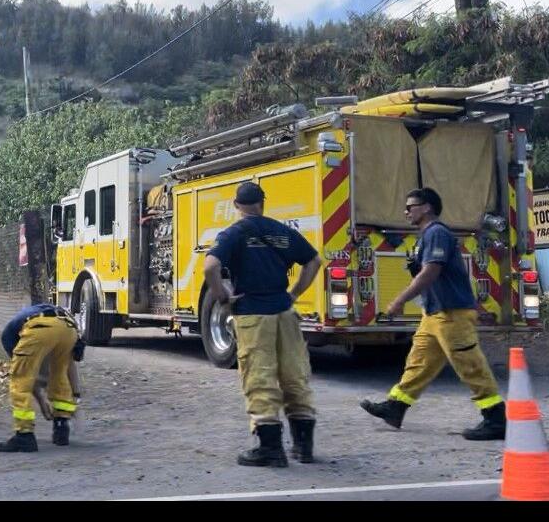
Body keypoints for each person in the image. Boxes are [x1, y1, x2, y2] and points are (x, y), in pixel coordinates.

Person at [359, 188, 507, 441]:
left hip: (452, 313)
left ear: (426, 207)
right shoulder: (427, 236)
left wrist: (400, 300)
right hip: (435, 314)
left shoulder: (437, 233)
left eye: (410, 207)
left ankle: (496, 419)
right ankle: (395, 407)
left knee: (470, 365)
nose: (406, 211)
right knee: (419, 362)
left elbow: (431, 272)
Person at [203, 182, 323, 467]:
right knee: (295, 376)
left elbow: (210, 266)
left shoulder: (234, 233)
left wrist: (222, 296)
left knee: (259, 377)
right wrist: (293, 294)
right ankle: (303, 447)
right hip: (285, 313)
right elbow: (314, 261)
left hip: (253, 315)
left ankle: (270, 449)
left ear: (236, 205)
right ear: (263, 202)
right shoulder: (281, 231)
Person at [0, 304, 82, 453]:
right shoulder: (20, 329)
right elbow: (69, 365)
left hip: (40, 327)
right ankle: (61, 426)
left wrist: (41, 400)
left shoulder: (10, 337)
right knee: (59, 373)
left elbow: (26, 375)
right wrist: (76, 395)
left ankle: (24, 435)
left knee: (20, 381)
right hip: (68, 327)